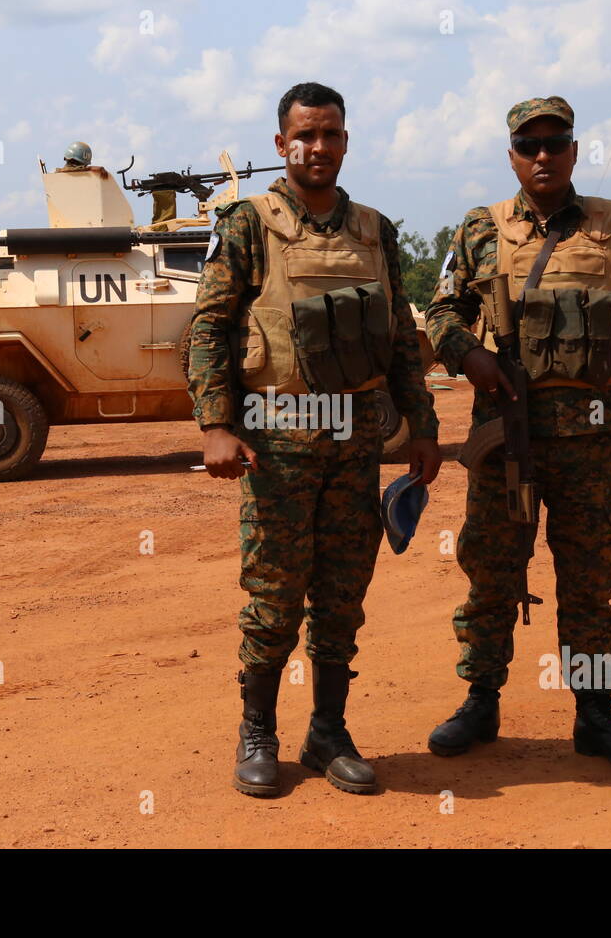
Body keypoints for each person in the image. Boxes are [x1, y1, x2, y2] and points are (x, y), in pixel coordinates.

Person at [188, 82, 441, 797]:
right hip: (277, 445)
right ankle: (258, 732)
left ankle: (327, 732)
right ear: (281, 146)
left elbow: (397, 338)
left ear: (345, 141)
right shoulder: (246, 224)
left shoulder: (373, 230)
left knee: (341, 596)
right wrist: (214, 423)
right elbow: (206, 329)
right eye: (305, 135)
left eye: (331, 134)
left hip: (356, 445)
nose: (319, 147)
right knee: (273, 594)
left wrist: (422, 427)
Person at [424, 96, 611, 774]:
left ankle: (596, 716)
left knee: (590, 579)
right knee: (489, 570)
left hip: (590, 434)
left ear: (574, 150)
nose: (542, 156)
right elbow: (441, 308)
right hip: (503, 432)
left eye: (555, 143)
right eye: (528, 145)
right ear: (511, 154)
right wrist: (466, 354)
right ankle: (480, 701)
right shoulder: (481, 229)